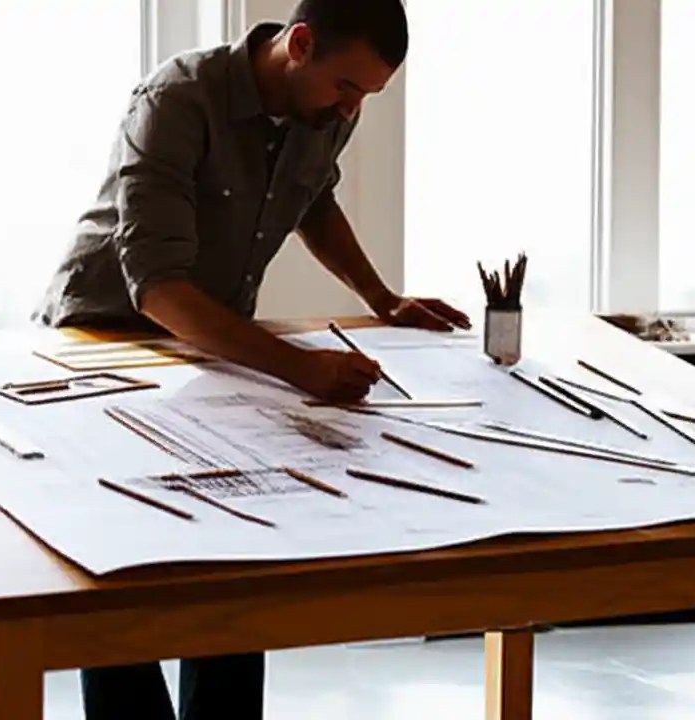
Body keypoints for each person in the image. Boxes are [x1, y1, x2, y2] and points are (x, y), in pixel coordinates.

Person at [34, 0, 469, 718]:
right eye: (347, 88)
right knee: (120, 565)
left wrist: (381, 297)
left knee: (237, 548)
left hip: (215, 343)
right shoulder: (177, 100)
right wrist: (302, 367)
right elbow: (160, 291)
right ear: (299, 44)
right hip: (107, 338)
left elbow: (314, 202)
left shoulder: (323, 112)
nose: (351, 109)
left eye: (367, 95)